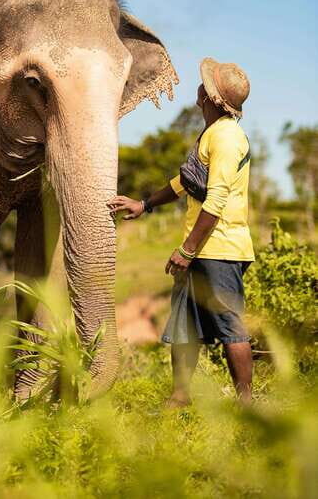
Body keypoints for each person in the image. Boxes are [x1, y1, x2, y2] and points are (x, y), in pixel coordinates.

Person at [108, 58, 254, 406]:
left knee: (229, 325)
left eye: (207, 85)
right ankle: (180, 398)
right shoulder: (213, 133)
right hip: (202, 247)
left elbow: (216, 200)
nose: (200, 87)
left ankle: (246, 403)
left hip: (220, 249)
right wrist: (145, 204)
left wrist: (186, 250)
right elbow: (184, 183)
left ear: (212, 98)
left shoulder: (228, 138)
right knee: (185, 324)